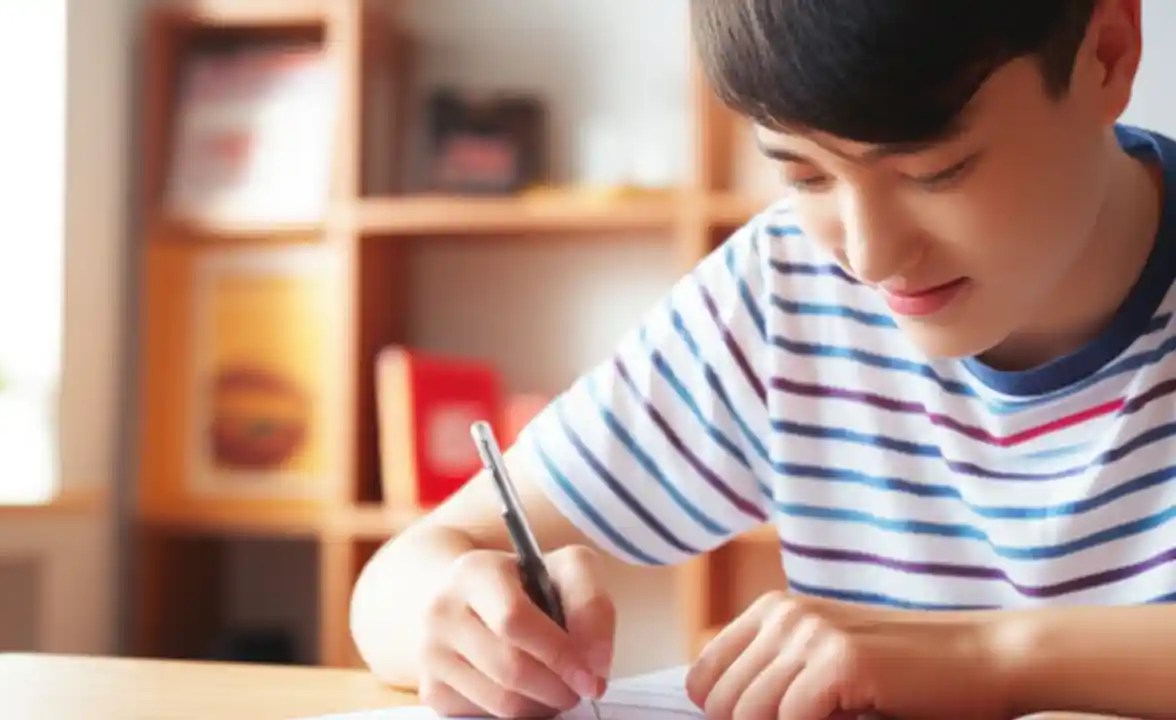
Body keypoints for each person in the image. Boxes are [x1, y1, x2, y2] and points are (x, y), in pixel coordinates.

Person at [351, 1, 1176, 717]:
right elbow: (405, 573)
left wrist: (986, 660)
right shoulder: (786, 292)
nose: (870, 253)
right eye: (805, 175)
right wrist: (455, 617)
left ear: (1106, 52)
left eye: (936, 171)